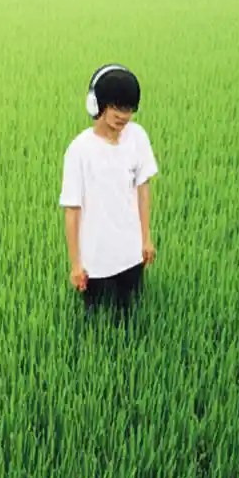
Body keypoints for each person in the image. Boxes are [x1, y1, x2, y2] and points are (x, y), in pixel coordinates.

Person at [59, 64, 159, 321]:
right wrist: (76, 264)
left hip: (130, 252)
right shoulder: (79, 150)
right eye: (117, 106)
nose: (124, 115)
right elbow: (72, 209)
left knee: (132, 316)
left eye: (129, 108)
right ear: (97, 105)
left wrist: (146, 238)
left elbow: (142, 189)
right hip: (96, 259)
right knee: (96, 322)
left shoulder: (137, 137)